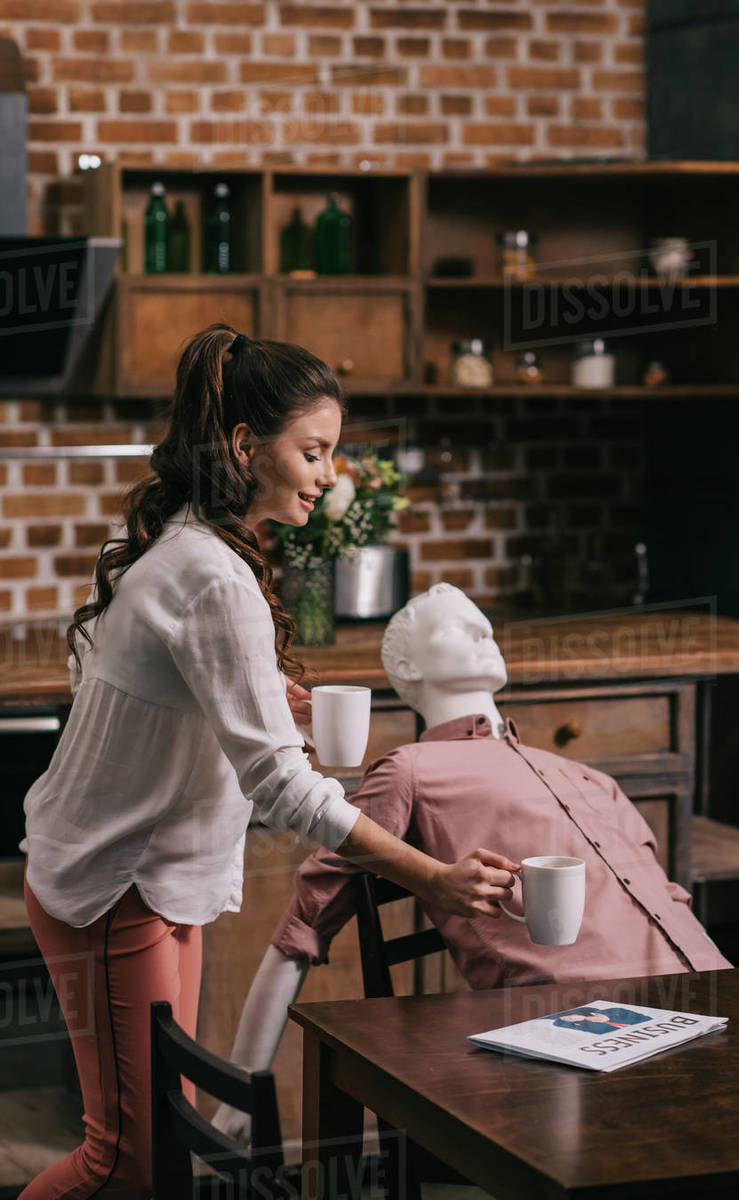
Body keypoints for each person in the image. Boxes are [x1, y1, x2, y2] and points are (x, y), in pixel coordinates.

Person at [17, 328, 519, 1200]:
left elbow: (132, 671)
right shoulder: (213, 573)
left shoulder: (188, 540)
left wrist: (239, 698)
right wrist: (432, 878)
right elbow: (283, 785)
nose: (327, 476)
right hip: (112, 884)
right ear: (247, 447)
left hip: (156, 876)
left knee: (157, 1150)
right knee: (124, 1160)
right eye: (312, 452)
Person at [214, 583, 730, 1141]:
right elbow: (304, 925)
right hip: (592, 1026)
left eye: (484, 621)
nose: (486, 633)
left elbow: (669, 895)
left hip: (720, 995)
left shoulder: (588, 779)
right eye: (459, 627)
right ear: (407, 667)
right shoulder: (411, 769)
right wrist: (245, 1084)